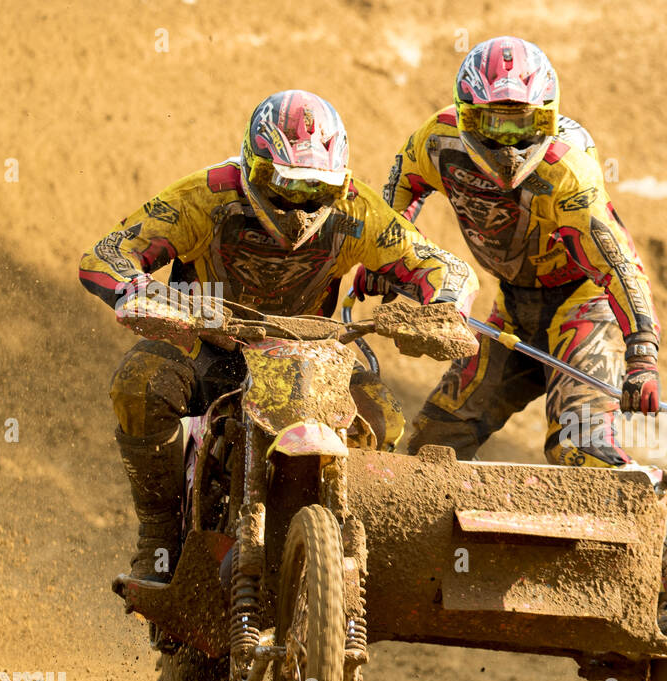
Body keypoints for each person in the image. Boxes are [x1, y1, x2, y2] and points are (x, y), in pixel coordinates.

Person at [363, 37, 667, 640]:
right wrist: (388, 255)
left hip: (582, 308)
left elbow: (621, 267)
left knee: (583, 448)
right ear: (466, 116)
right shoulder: (436, 142)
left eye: (526, 126)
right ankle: (396, 570)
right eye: (495, 125)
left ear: (550, 118)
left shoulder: (569, 171)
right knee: (435, 440)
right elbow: (400, 187)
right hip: (511, 311)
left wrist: (642, 355)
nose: (510, 145)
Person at [80, 89, 478, 582]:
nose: (299, 209)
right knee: (140, 383)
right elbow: (106, 255)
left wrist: (441, 312)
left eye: (315, 191)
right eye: (284, 187)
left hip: (314, 357)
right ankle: (158, 534)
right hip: (209, 345)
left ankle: (352, 551)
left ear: (341, 182)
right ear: (252, 167)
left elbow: (446, 269)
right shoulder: (204, 198)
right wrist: (141, 295)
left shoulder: (357, 210)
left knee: (383, 421)